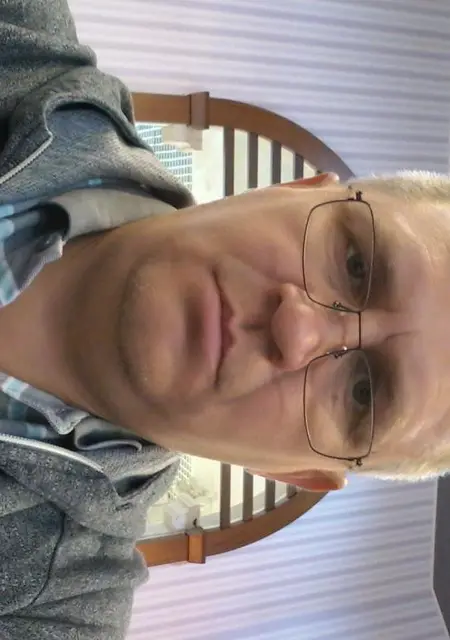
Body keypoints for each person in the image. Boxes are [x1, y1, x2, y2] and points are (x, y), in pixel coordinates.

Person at [0, 1, 448, 638]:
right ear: (291, 190)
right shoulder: (20, 30)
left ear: (290, 473)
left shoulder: (51, 615)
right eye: (354, 262)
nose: (298, 330)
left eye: (362, 394)